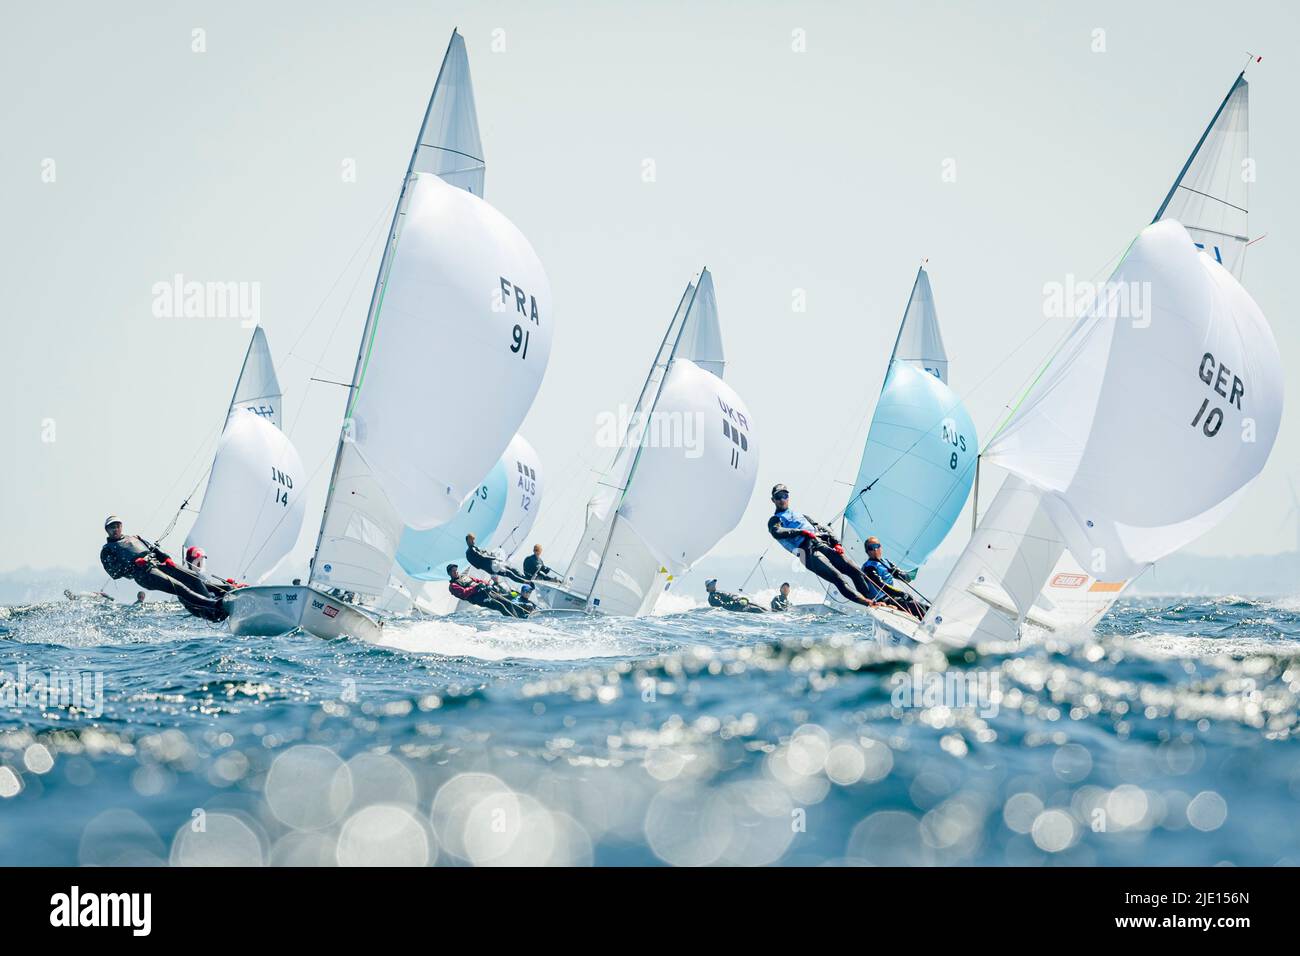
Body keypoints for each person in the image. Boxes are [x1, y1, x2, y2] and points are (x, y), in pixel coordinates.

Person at [765, 485, 879, 609]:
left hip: (821, 544)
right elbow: (777, 531)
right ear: (773, 500)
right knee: (838, 578)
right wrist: (801, 532)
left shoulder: (801, 515)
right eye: (778, 497)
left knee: (856, 571)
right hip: (807, 553)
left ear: (788, 497)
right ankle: (869, 603)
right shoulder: (775, 520)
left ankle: (877, 601)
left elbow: (822, 528)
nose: (782, 499)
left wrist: (837, 543)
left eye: (785, 496)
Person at [99, 516, 231, 621]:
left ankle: (226, 592)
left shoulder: (135, 538)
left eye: (117, 526)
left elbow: (153, 549)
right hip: (144, 573)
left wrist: (165, 558)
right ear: (107, 530)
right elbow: (114, 572)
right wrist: (133, 565)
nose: (115, 529)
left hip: (158, 564)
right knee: (179, 587)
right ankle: (213, 606)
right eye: (112, 527)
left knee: (194, 578)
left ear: (121, 526)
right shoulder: (107, 550)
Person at [861, 537, 926, 619]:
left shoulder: (886, 562)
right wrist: (902, 594)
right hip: (881, 601)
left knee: (926, 609)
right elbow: (880, 586)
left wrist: (899, 574)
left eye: (877, 546)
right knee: (921, 610)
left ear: (881, 547)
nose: (875, 550)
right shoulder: (869, 567)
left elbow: (907, 579)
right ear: (867, 551)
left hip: (893, 598)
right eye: (871, 548)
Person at [446, 563, 531, 618]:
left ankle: (520, 617)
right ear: (449, 573)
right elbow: (464, 594)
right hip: (478, 598)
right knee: (500, 606)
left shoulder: (465, 577)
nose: (456, 572)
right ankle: (515, 621)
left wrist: (487, 584)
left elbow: (478, 580)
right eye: (453, 571)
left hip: (486, 592)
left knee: (507, 602)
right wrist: (476, 588)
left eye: (456, 570)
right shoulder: (453, 586)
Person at [464, 533, 531, 585]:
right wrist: (495, 558)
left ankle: (525, 579)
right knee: (509, 573)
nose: (473, 541)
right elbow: (482, 557)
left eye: (473, 539)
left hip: (493, 564)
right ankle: (525, 582)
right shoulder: (471, 549)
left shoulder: (473, 548)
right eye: (471, 539)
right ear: (467, 540)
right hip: (491, 567)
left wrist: (491, 555)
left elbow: (483, 556)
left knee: (511, 569)